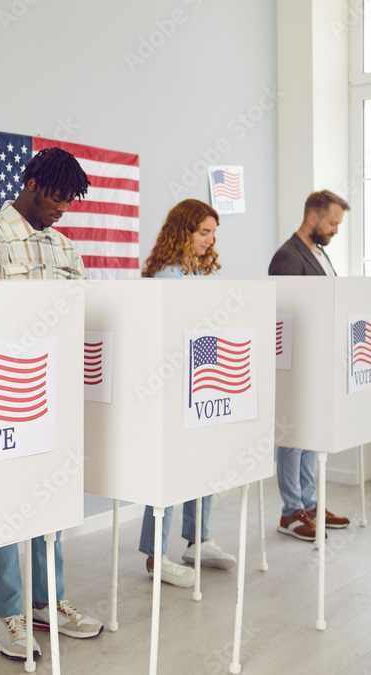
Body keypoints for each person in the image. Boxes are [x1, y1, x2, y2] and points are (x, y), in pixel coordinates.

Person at [0, 146, 104, 661]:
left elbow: (82, 317)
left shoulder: (66, 249)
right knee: (2, 505)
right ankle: (6, 615)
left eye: (70, 200)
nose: (63, 207)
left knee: (50, 501)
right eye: (58, 197)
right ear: (32, 183)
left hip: (57, 392)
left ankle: (48, 601)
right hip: (4, 395)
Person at [138, 199, 238, 587]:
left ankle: (198, 538)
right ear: (184, 231)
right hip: (171, 389)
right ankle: (155, 555)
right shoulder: (168, 277)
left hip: (197, 386)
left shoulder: (190, 272)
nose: (210, 241)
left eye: (213, 233)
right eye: (204, 232)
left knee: (202, 463)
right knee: (167, 473)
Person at [269, 189, 352, 540]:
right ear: (313, 217)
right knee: (292, 439)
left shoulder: (320, 254)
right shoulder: (288, 256)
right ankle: (291, 512)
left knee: (310, 436)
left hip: (321, 360)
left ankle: (311, 503)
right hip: (296, 364)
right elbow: (283, 315)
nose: (335, 230)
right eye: (332, 223)